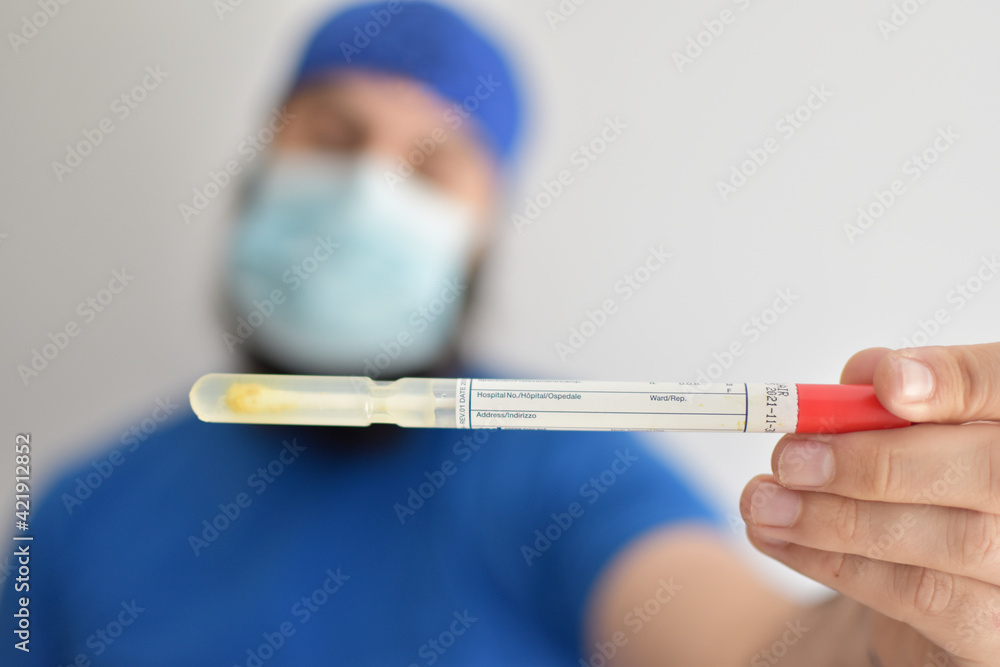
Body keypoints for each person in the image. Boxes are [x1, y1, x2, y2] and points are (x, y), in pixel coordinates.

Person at [5, 3, 1000, 665]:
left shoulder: (560, 470)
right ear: (259, 158)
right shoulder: (73, 514)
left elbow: (752, 647)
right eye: (334, 138)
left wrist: (893, 623)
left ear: (485, 233)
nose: (366, 193)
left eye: (432, 168)